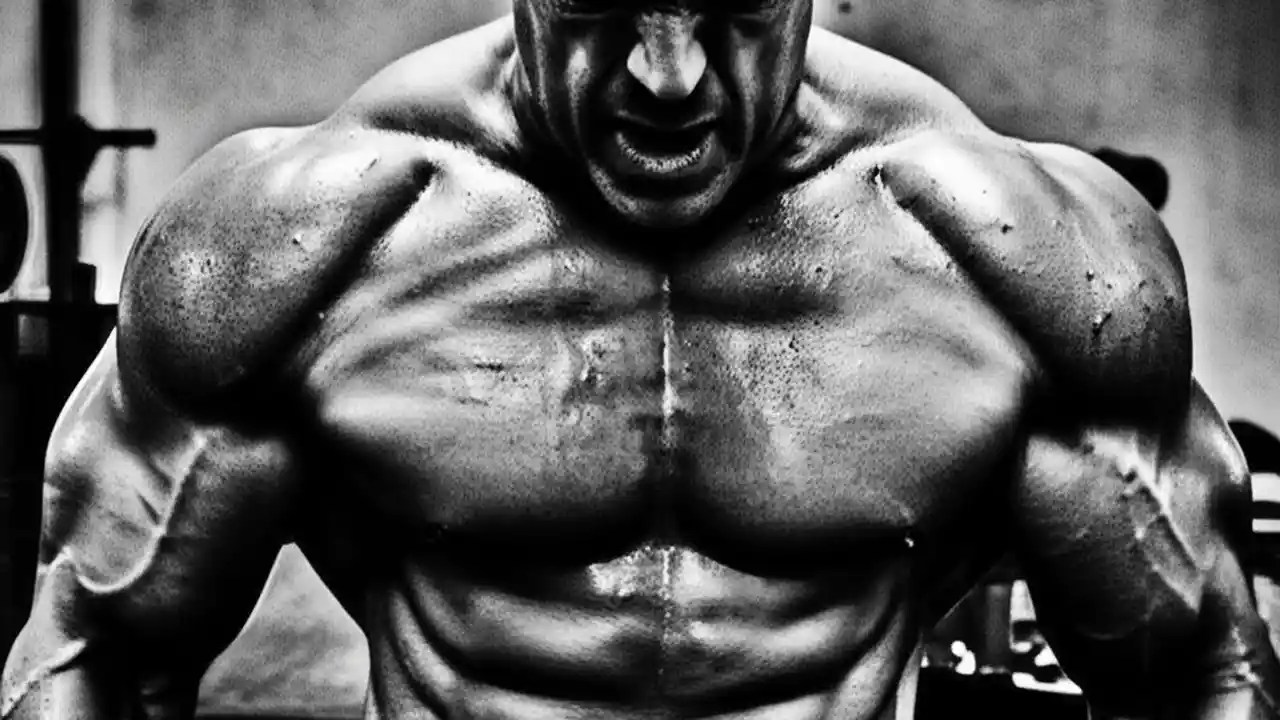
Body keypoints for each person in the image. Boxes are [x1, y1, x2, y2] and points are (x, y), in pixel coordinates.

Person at [3, 2, 1278, 718]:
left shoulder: (1020, 255)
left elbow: (1198, 677)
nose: (666, 78)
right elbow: (96, 654)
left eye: (734, 8)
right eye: (597, 4)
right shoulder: (299, 244)